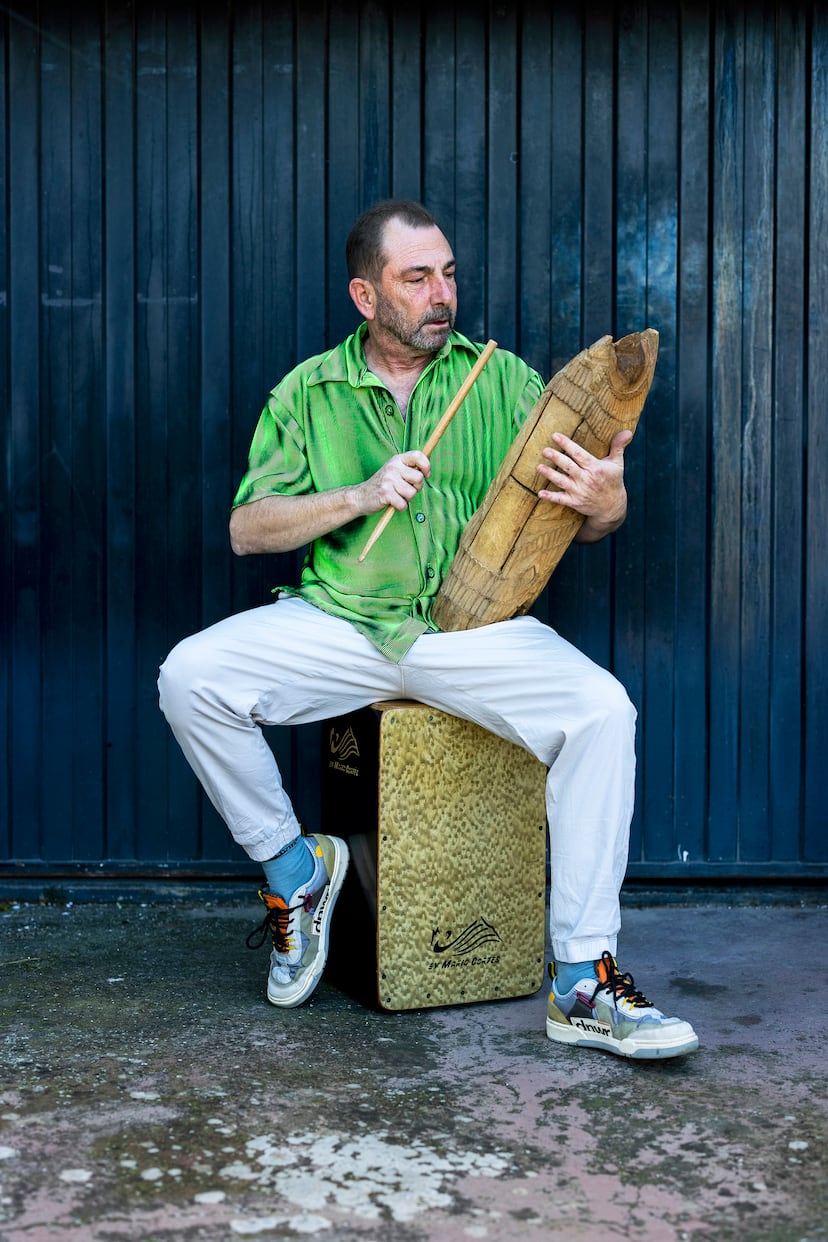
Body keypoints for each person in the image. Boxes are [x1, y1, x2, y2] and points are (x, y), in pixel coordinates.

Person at [159, 199, 698, 1060]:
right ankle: (296, 874)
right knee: (191, 675)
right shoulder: (309, 391)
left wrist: (610, 503)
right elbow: (246, 529)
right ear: (366, 296)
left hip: (472, 635)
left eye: (447, 273)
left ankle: (581, 980)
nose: (441, 294)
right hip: (343, 624)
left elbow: (585, 512)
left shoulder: (504, 379)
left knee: (604, 711)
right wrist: (360, 495)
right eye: (417, 279)